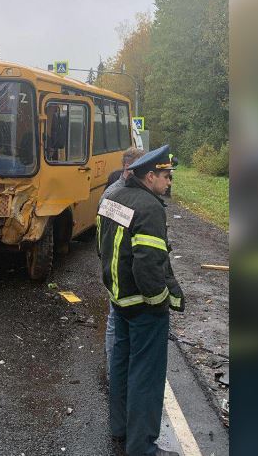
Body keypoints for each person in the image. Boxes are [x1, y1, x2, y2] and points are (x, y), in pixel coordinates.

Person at [98, 144, 185, 456]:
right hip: (143, 308)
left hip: (119, 300)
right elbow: (147, 265)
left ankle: (120, 429)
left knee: (120, 366)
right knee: (145, 377)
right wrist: (161, 302)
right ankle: (142, 447)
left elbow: (102, 247)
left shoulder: (112, 196)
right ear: (150, 176)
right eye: (167, 175)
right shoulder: (149, 208)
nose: (170, 182)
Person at [99, 146, 145, 378]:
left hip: (116, 268)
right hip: (118, 271)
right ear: (129, 167)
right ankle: (113, 374)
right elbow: (107, 236)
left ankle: (116, 372)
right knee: (115, 323)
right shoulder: (115, 194)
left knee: (116, 322)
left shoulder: (120, 190)